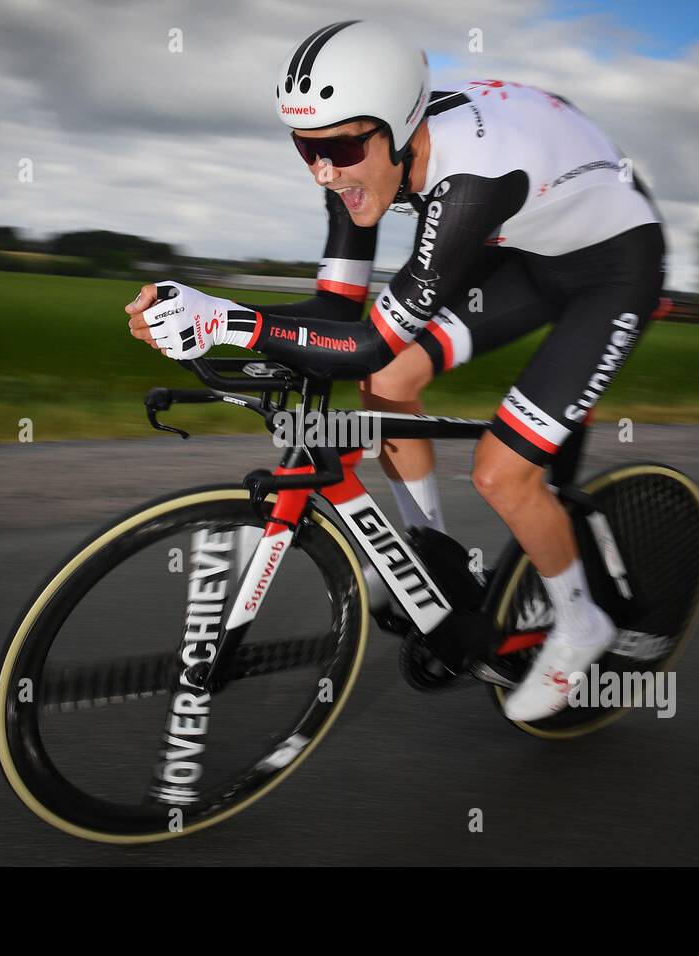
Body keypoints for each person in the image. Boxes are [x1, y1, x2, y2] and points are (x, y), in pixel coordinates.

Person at [127, 20, 667, 722]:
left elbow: (370, 340)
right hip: (529, 245)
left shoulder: (467, 179)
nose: (325, 171)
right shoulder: (360, 160)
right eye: (307, 148)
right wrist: (212, 313)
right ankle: (430, 559)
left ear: (398, 127)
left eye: (342, 148)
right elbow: (336, 309)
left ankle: (581, 621)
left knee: (502, 470)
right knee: (387, 387)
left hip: (613, 266)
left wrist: (233, 323)